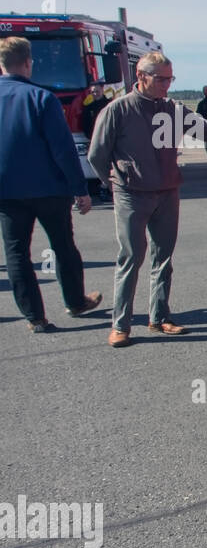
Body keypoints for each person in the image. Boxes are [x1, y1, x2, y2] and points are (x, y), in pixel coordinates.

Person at [0, 37, 102, 332]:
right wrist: (80, 190)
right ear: (29, 63)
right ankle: (75, 301)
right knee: (63, 246)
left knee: (16, 253)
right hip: (48, 188)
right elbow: (63, 150)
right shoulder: (41, 98)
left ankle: (36, 317)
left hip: (7, 192)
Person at [87, 52, 189, 347]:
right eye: (161, 79)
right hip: (132, 195)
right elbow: (97, 154)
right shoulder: (117, 110)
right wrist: (115, 182)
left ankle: (159, 318)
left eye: (170, 78)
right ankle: (121, 325)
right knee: (131, 258)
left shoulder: (173, 110)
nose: (166, 85)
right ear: (141, 76)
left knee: (163, 258)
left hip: (167, 192)